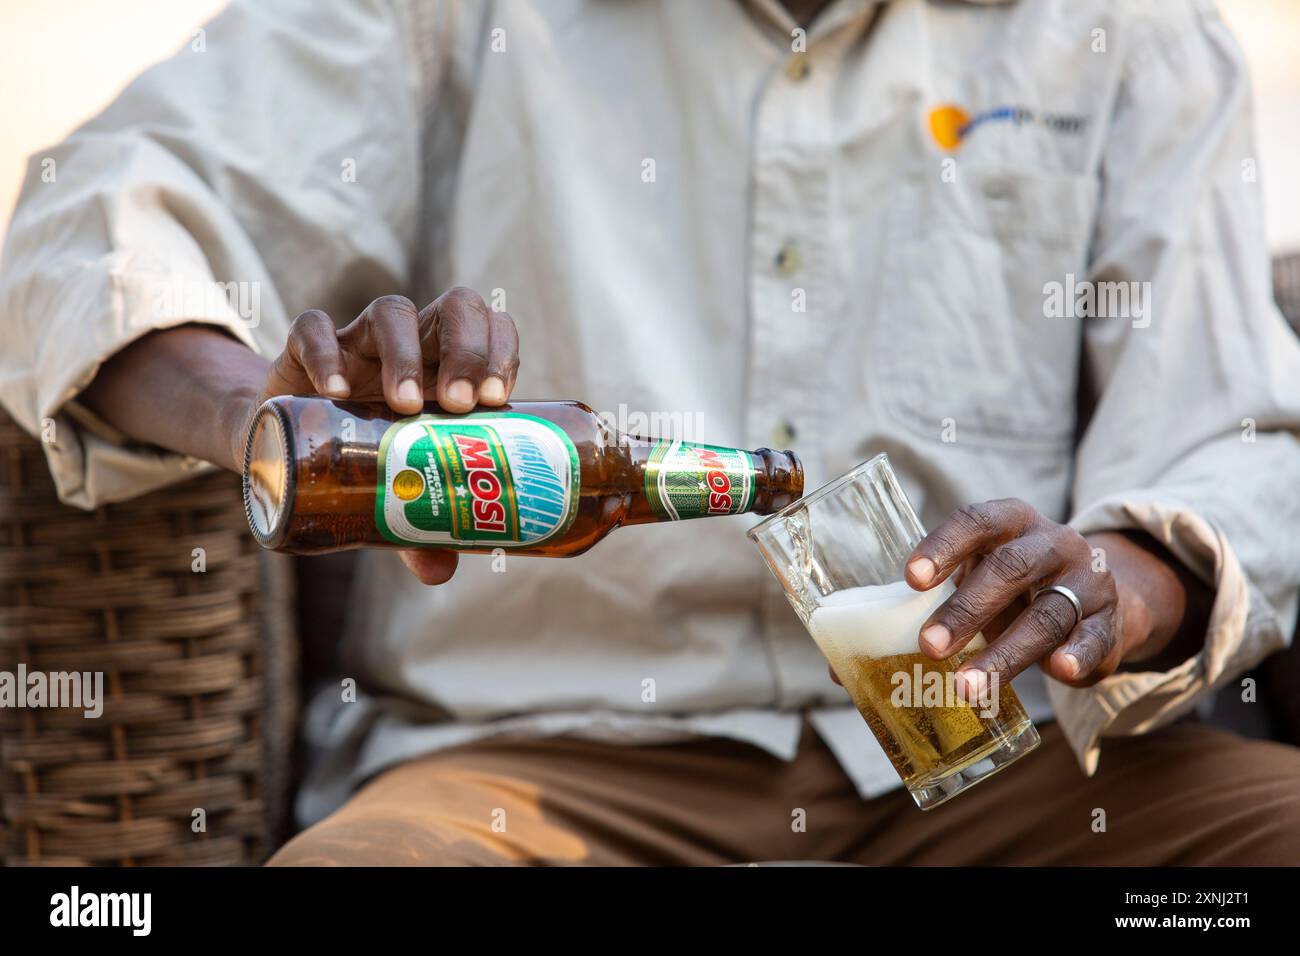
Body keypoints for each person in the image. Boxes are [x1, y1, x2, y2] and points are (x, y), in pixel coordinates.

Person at [2, 0, 1299, 865]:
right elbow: (84, 221)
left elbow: (1239, 427)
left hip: (1024, 767)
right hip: (534, 772)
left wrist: (1127, 586)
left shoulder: (1122, 29)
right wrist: (263, 415)